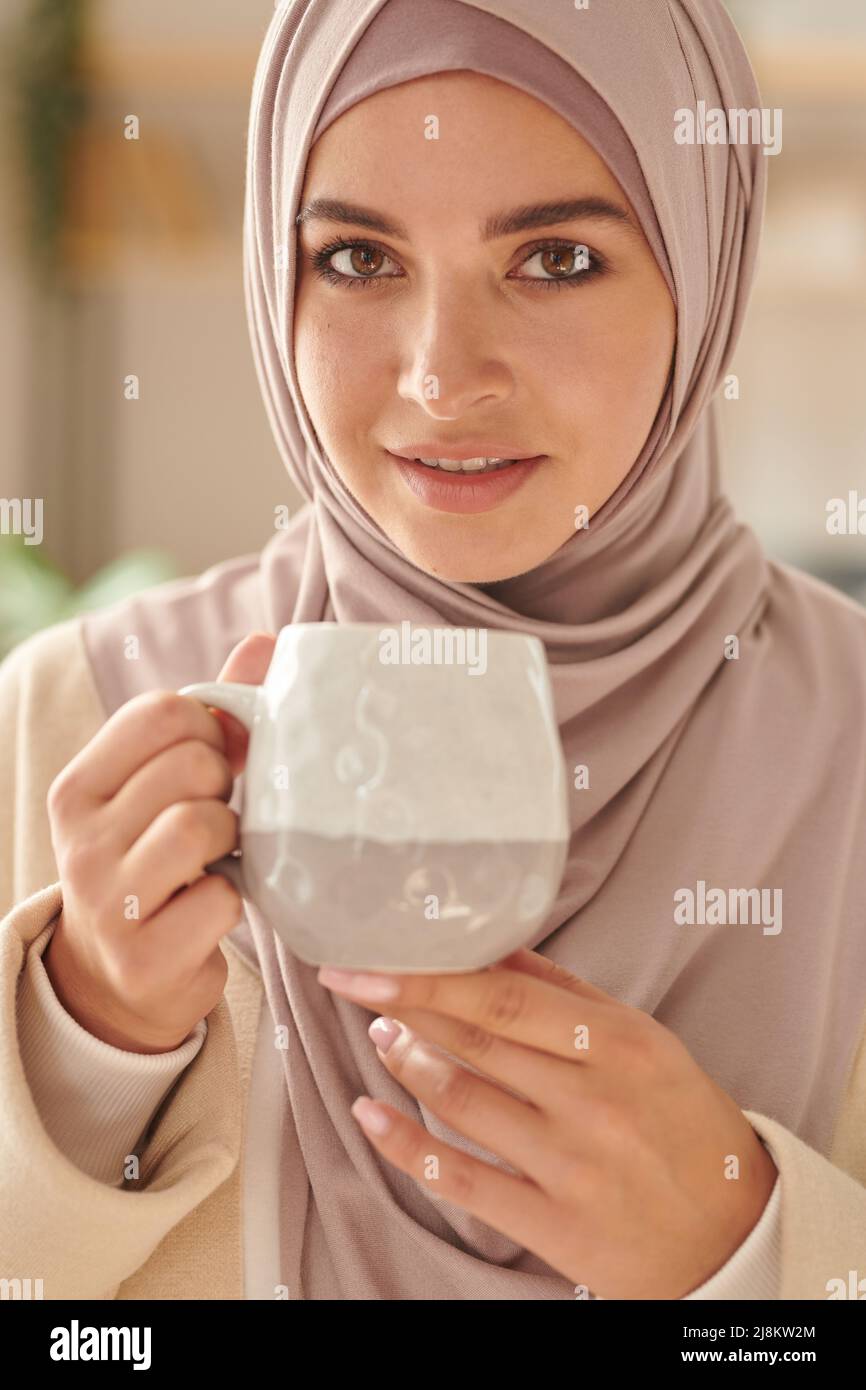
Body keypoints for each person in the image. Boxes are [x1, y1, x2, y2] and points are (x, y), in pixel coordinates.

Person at [2, 0, 865, 1301]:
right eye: (356, 257)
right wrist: (88, 1042)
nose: (441, 375)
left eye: (556, 258)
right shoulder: (85, 720)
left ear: (707, 266)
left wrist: (751, 1253)